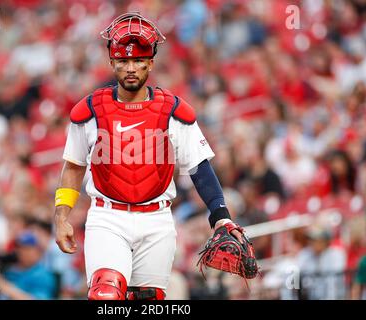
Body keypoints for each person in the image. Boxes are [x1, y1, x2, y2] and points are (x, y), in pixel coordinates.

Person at [54, 12, 248, 300]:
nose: (130, 68)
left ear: (150, 63)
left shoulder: (172, 111)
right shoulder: (91, 110)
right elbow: (73, 166)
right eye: (123, 61)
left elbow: (199, 167)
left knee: (149, 300)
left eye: (138, 61)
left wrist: (221, 216)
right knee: (106, 293)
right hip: (107, 216)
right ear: (112, 63)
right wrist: (62, 216)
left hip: (157, 218)